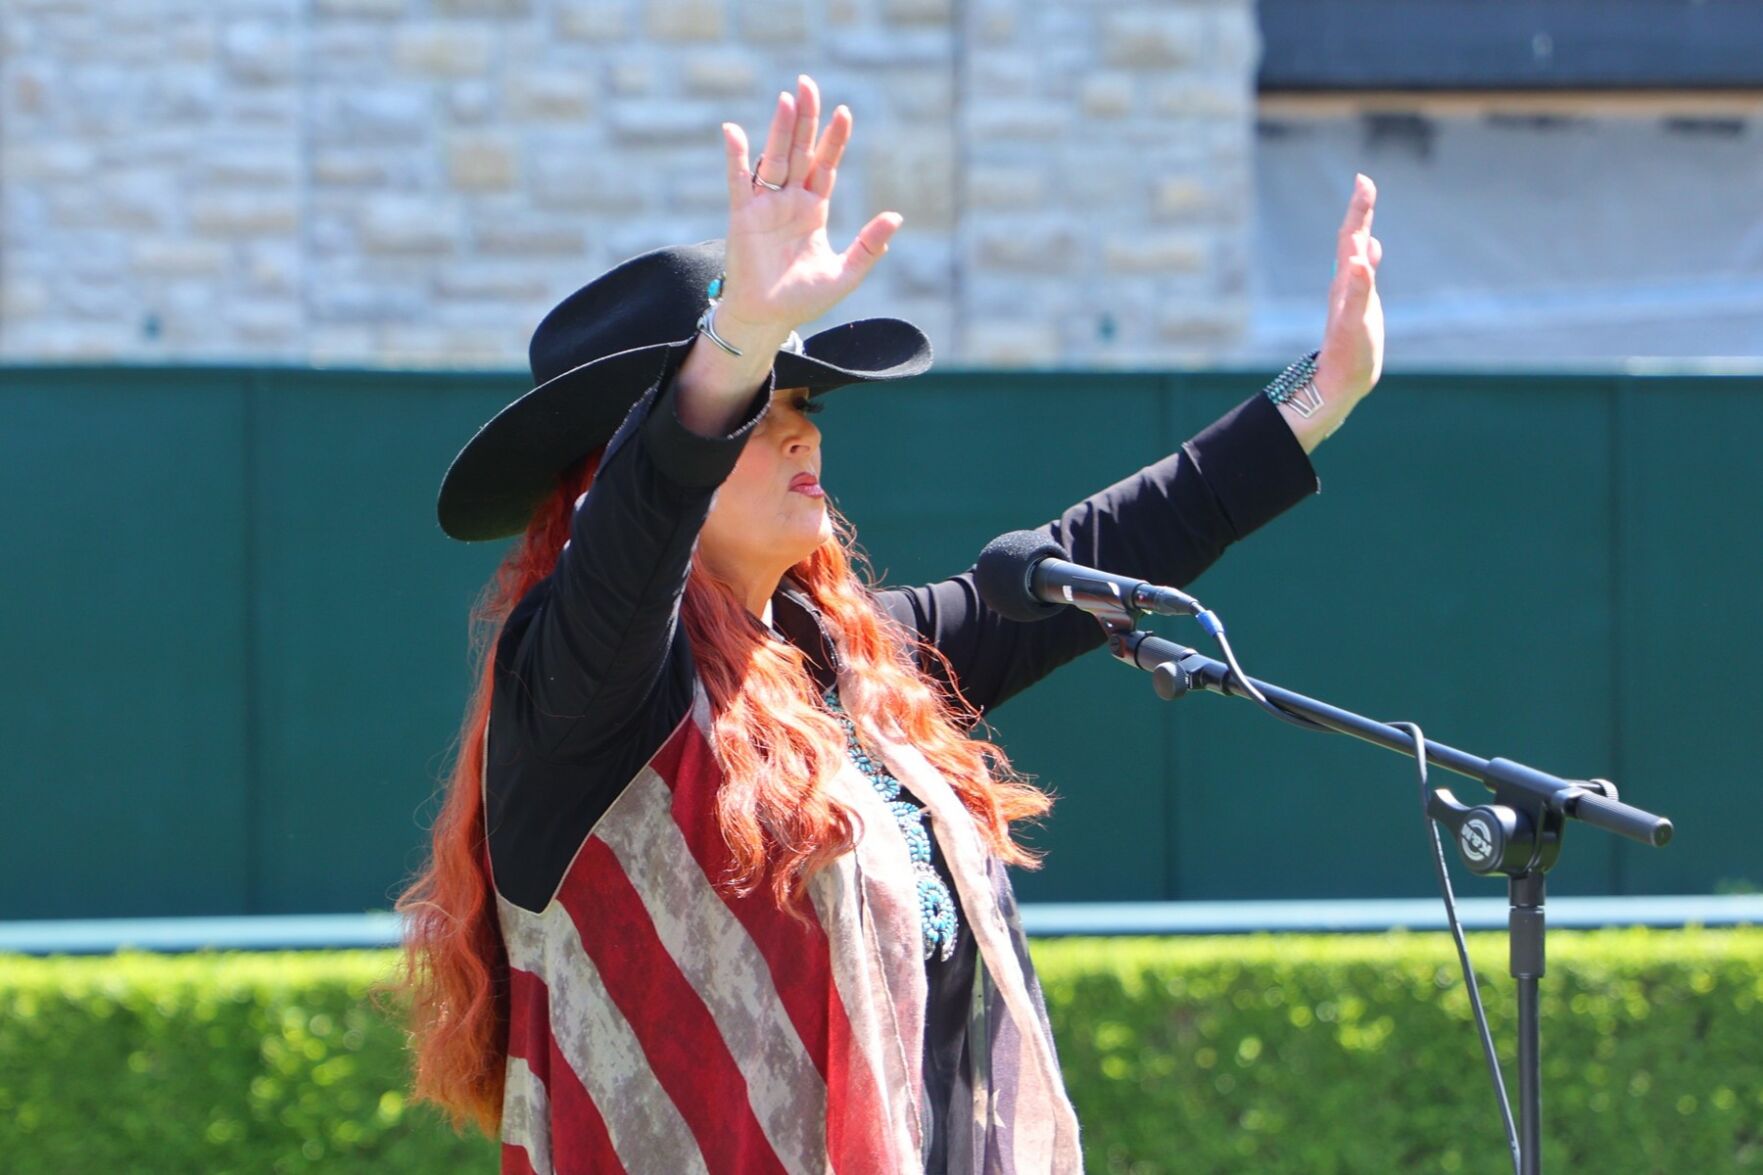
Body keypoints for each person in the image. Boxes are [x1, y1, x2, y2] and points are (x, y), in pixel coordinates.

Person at [397, 74, 1384, 1174]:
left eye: (802, 406)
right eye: (754, 417)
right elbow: (638, 530)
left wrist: (1317, 395)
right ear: (611, 482)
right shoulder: (579, 686)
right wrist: (737, 338)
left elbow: (1096, 552)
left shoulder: (851, 665)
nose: (799, 436)